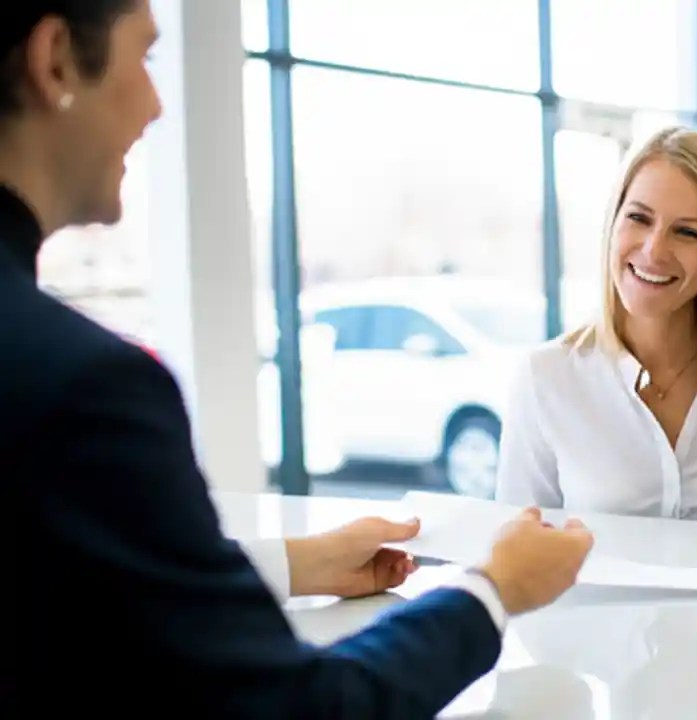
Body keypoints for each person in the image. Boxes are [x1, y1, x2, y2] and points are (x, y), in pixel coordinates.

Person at [0, 2, 594, 716]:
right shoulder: (85, 388)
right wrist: (495, 589)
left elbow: (75, 584)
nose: (158, 107)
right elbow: (300, 708)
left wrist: (299, 562)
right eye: (146, 58)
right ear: (56, 59)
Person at [495, 127, 697, 525]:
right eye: (638, 218)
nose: (653, 251)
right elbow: (515, 549)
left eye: (687, 232)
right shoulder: (546, 377)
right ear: (613, 223)